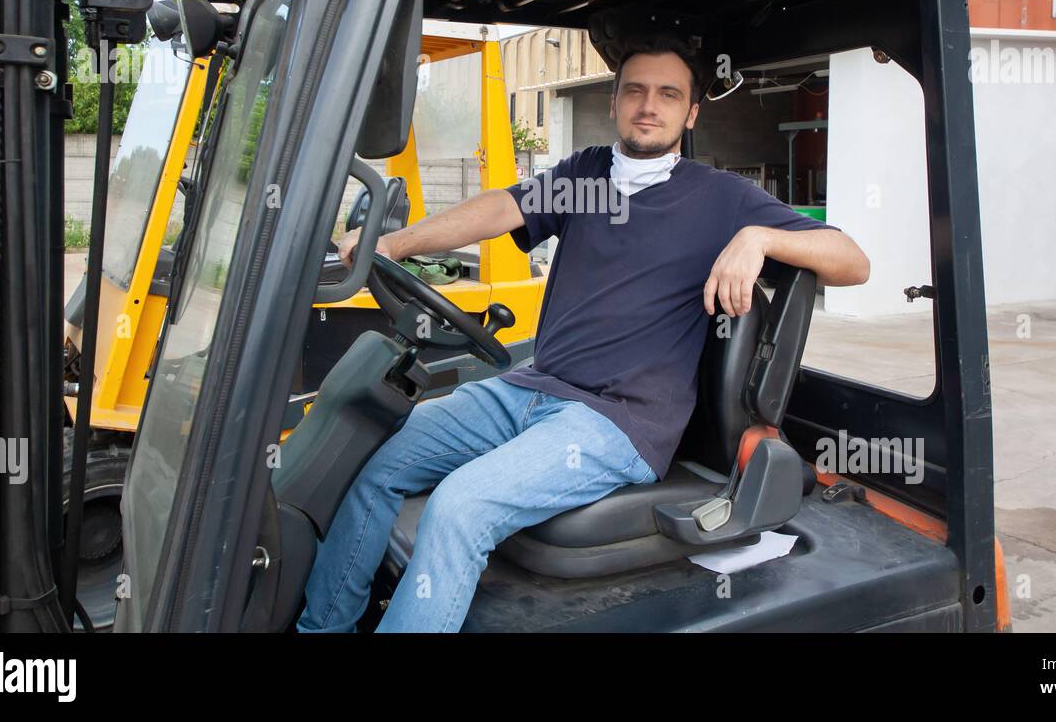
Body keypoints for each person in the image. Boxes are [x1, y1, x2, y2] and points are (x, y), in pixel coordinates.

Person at [296, 34, 870, 632]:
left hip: (614, 421)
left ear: (691, 111)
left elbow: (853, 260)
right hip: (527, 388)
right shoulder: (585, 175)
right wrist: (391, 243)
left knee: (459, 507)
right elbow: (501, 208)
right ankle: (323, 625)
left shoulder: (722, 198)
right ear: (616, 99)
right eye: (636, 91)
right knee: (374, 458)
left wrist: (761, 238)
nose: (650, 105)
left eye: (669, 94)